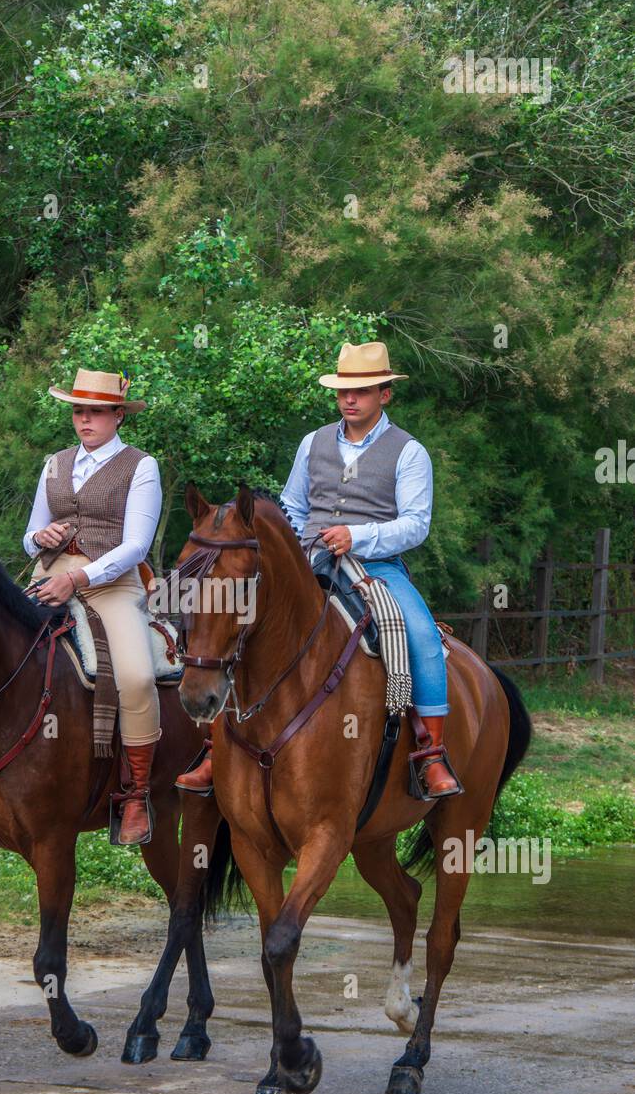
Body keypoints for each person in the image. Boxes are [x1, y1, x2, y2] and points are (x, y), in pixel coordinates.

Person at [176, 340, 460, 799]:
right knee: (238, 619)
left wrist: (357, 536)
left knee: (422, 636)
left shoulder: (409, 452)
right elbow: (290, 506)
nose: (350, 399)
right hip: (307, 560)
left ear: (385, 394)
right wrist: (289, 548)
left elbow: (416, 525)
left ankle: (430, 754)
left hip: (376, 565)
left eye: (363, 391)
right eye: (344, 390)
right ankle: (216, 747)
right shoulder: (313, 442)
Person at [24, 367, 162, 842]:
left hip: (113, 582)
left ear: (118, 416)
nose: (85, 420)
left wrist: (80, 576)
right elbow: (30, 535)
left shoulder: (141, 466)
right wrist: (39, 538)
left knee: (137, 676)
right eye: (79, 411)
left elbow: (136, 546)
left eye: (96, 412)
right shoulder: (55, 463)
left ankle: (135, 794)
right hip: (48, 573)